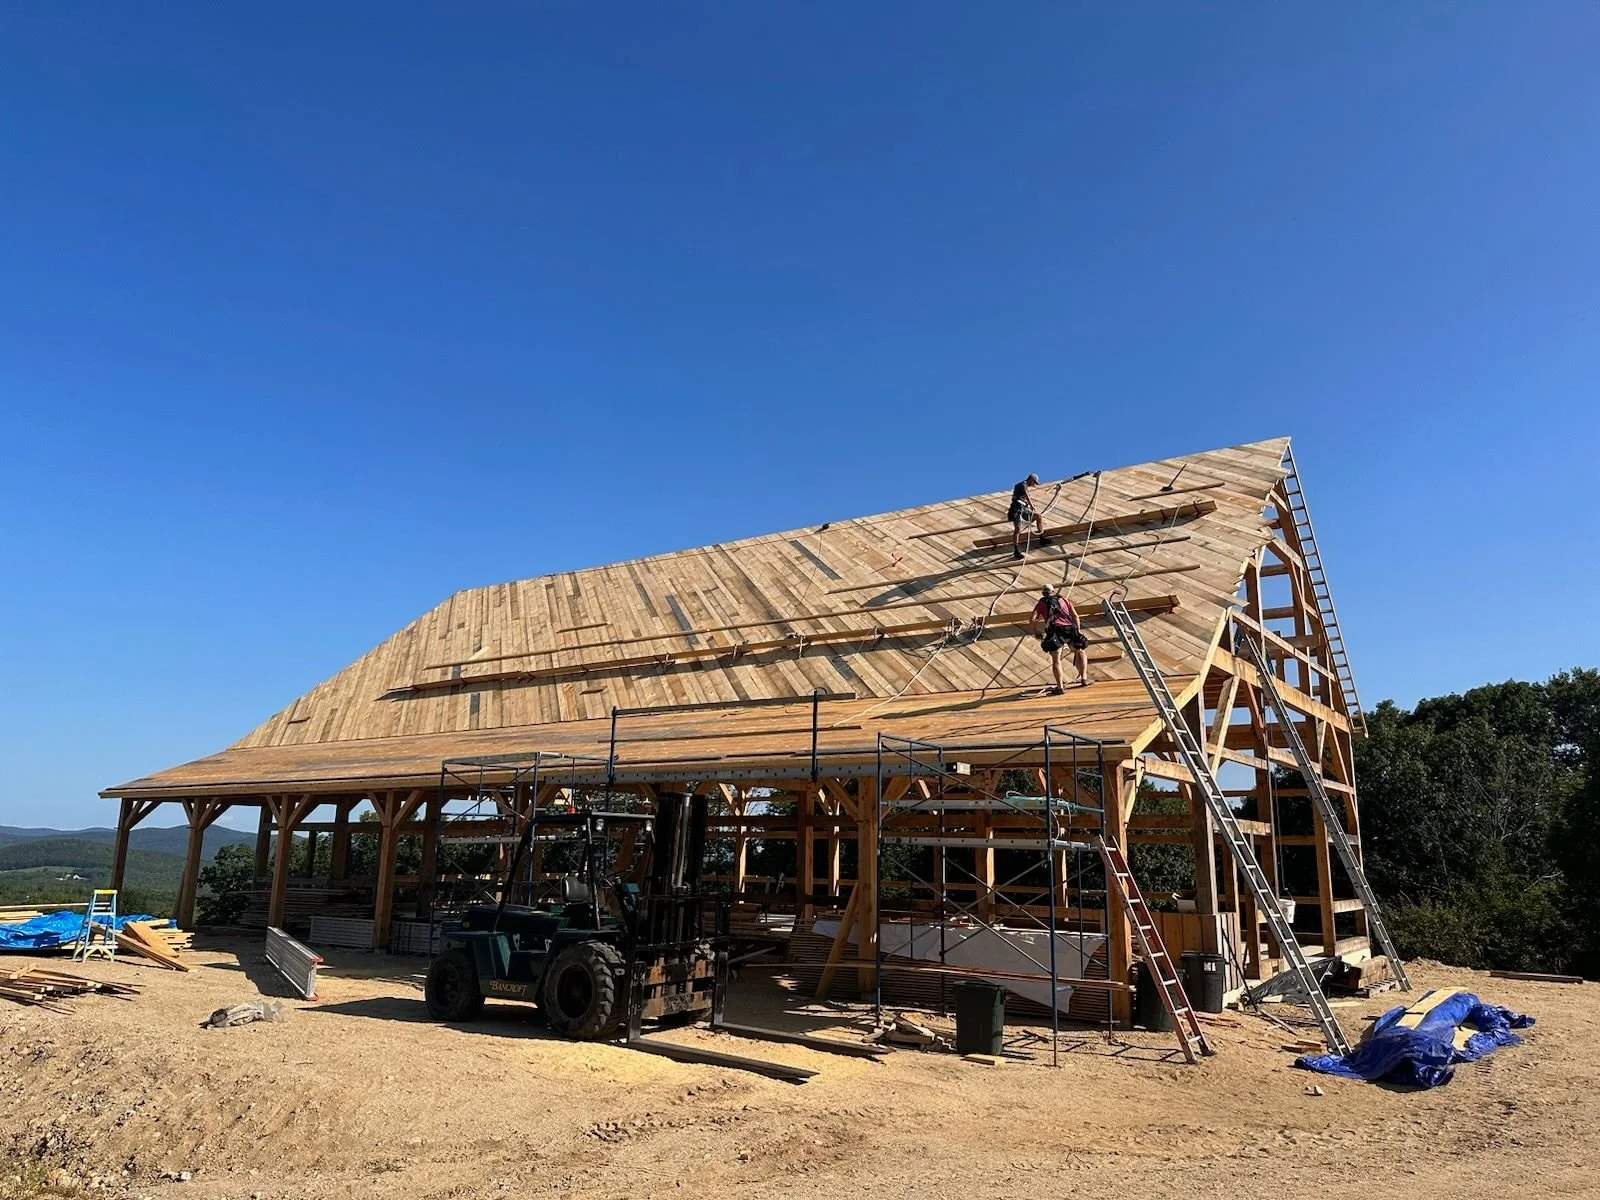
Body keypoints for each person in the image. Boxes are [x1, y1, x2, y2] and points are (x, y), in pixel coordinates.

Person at [1030, 584, 1089, 693]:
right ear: (1053, 591)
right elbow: (1075, 616)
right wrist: (1077, 631)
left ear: (1043, 593)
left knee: (1056, 659)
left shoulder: (1041, 603)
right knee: (1080, 651)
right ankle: (1084, 678)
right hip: (1070, 629)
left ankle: (1060, 687)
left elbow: (1033, 619)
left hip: (1054, 632)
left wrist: (1035, 633)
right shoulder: (1064, 600)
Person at [1008, 473, 1045, 559]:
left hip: (1023, 509)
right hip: (1016, 510)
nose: (1033, 485)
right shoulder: (1022, 484)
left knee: (1038, 516)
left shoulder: (1024, 486)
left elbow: (1023, 498)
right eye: (1034, 483)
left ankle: (1042, 538)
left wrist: (1027, 504)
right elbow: (1026, 496)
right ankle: (1016, 550)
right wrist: (1032, 505)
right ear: (1031, 479)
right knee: (1017, 529)